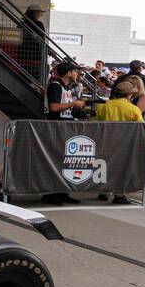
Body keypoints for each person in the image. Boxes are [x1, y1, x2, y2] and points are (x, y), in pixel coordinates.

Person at [92, 78, 144, 204]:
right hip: (124, 144)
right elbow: (140, 128)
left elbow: (93, 123)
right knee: (121, 170)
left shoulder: (102, 106)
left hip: (104, 142)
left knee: (105, 166)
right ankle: (119, 195)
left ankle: (102, 192)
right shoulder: (133, 109)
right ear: (129, 94)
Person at [43, 61, 86, 205]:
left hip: (65, 126)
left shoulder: (67, 88)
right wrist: (74, 104)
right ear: (68, 73)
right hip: (56, 127)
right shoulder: (55, 86)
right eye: (74, 71)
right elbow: (54, 108)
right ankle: (51, 193)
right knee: (56, 159)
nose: (76, 74)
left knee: (64, 159)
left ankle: (62, 191)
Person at [18, 3, 48, 81]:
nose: (41, 14)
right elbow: (42, 39)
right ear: (35, 13)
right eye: (40, 12)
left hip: (22, 55)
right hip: (36, 56)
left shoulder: (21, 24)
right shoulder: (39, 24)